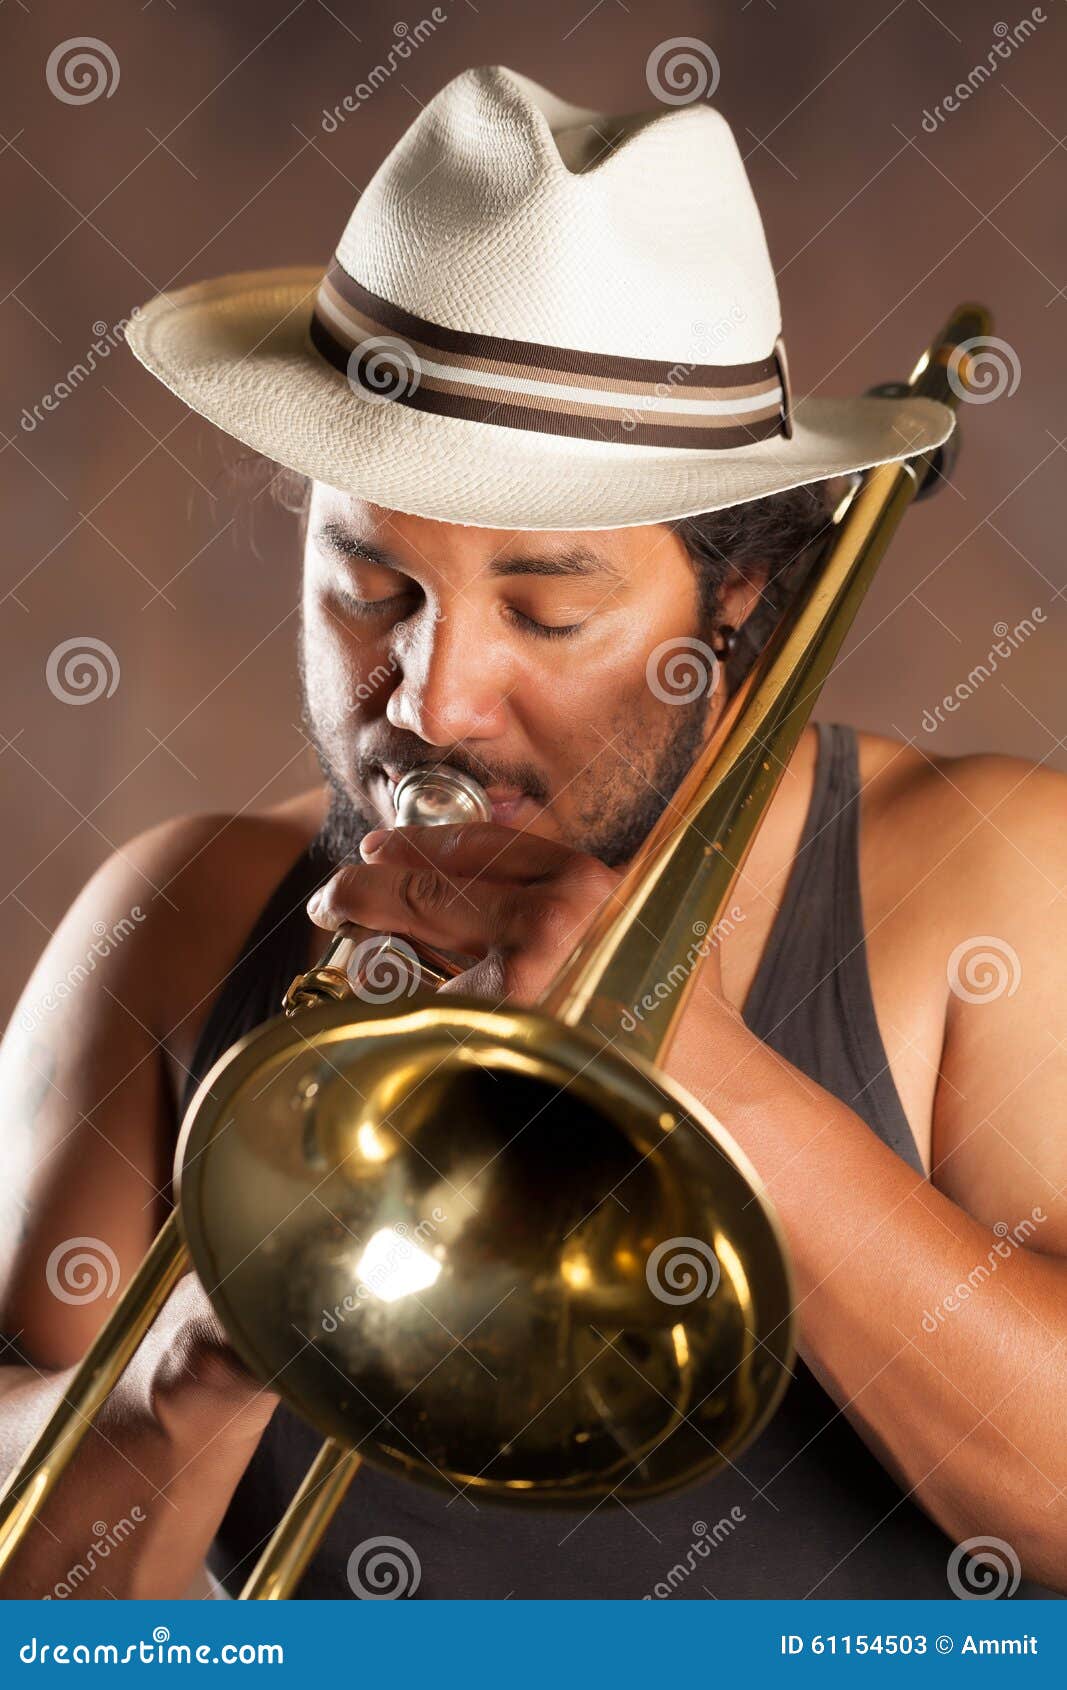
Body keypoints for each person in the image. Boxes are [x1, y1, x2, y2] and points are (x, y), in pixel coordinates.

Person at [1, 65, 1064, 1602]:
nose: (432, 698)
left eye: (546, 611)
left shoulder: (1000, 887)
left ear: (739, 598)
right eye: (371, 588)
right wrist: (184, 1365)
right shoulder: (176, 912)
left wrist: (712, 1083)